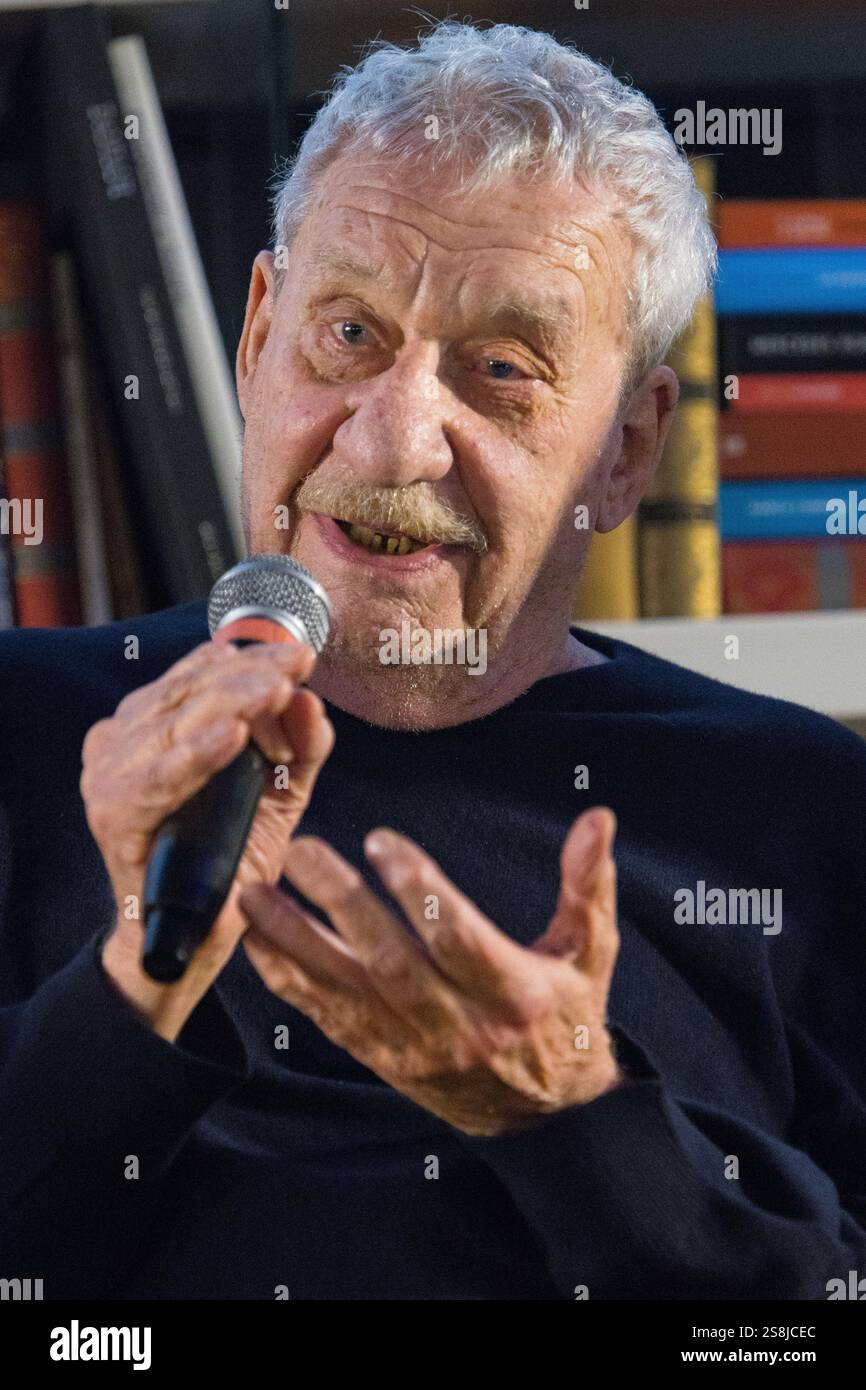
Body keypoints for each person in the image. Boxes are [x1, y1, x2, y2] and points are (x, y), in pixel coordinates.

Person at [1, 20, 864, 1301]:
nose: (396, 438)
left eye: (502, 371)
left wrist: (579, 1122)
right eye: (346, 334)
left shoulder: (804, 813)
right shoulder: (23, 731)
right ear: (254, 339)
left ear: (627, 450)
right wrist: (135, 981)